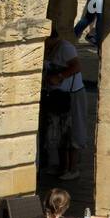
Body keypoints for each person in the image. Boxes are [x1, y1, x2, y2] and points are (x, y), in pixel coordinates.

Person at [42, 27, 86, 180]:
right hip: (56, 95)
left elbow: (77, 66)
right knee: (58, 132)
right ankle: (61, 167)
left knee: (72, 131)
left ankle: (72, 168)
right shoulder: (49, 49)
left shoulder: (65, 48)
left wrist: (59, 76)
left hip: (71, 95)